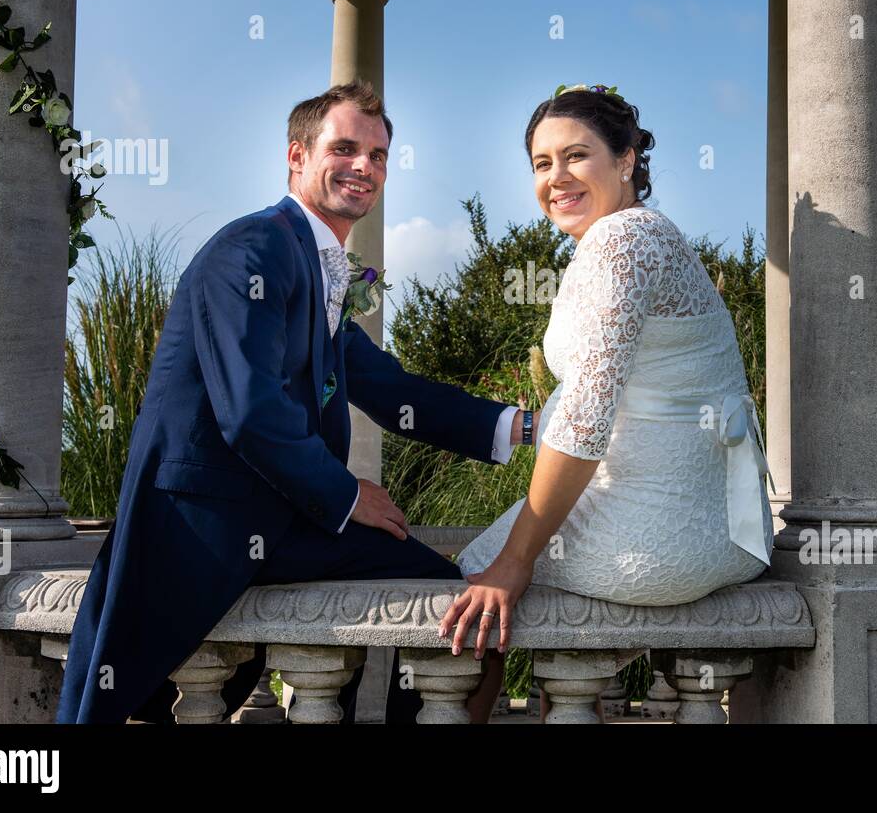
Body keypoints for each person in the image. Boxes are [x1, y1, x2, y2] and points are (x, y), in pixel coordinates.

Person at [57, 81, 532, 724]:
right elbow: (250, 411)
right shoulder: (253, 249)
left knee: (442, 597)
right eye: (345, 148)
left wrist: (528, 427)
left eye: (379, 154)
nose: (365, 166)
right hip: (202, 524)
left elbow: (393, 393)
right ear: (297, 156)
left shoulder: (319, 265)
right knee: (447, 598)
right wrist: (347, 495)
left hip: (274, 520)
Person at [442, 84, 775, 717]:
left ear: (625, 161)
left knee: (476, 577)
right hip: (729, 530)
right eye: (542, 164)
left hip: (663, 533)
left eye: (576, 156)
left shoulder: (619, 242)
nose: (556, 178)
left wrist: (515, 561)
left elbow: (587, 422)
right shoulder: (652, 234)